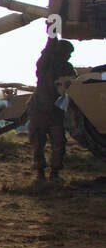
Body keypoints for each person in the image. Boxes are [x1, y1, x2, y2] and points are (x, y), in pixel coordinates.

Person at [29, 38, 76, 182]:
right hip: (40, 109)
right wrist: (52, 30)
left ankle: (55, 172)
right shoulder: (46, 65)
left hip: (56, 111)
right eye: (67, 53)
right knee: (38, 143)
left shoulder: (67, 68)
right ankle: (40, 172)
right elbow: (48, 51)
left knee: (59, 143)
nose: (69, 56)